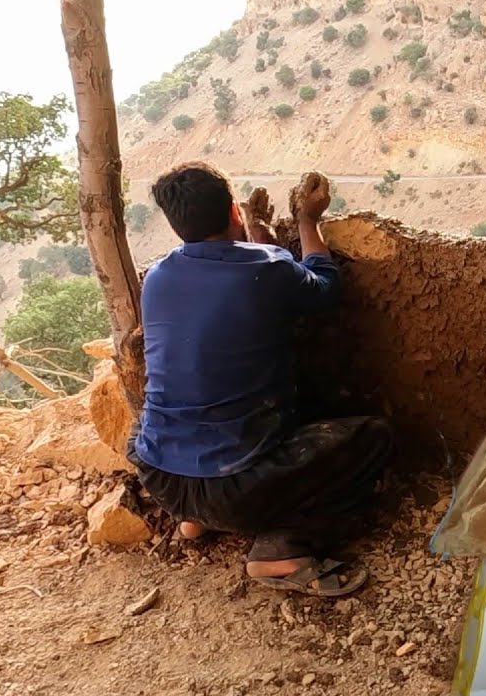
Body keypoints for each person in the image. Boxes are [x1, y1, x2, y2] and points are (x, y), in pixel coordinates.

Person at [126, 162, 391, 597]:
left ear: (176, 226)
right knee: (372, 437)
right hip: (236, 487)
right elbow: (323, 286)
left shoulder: (157, 277)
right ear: (233, 211)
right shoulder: (267, 270)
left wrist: (256, 232)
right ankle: (284, 547)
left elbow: (243, 274)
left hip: (160, 476)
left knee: (168, 409)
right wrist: (308, 220)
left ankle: (193, 519)